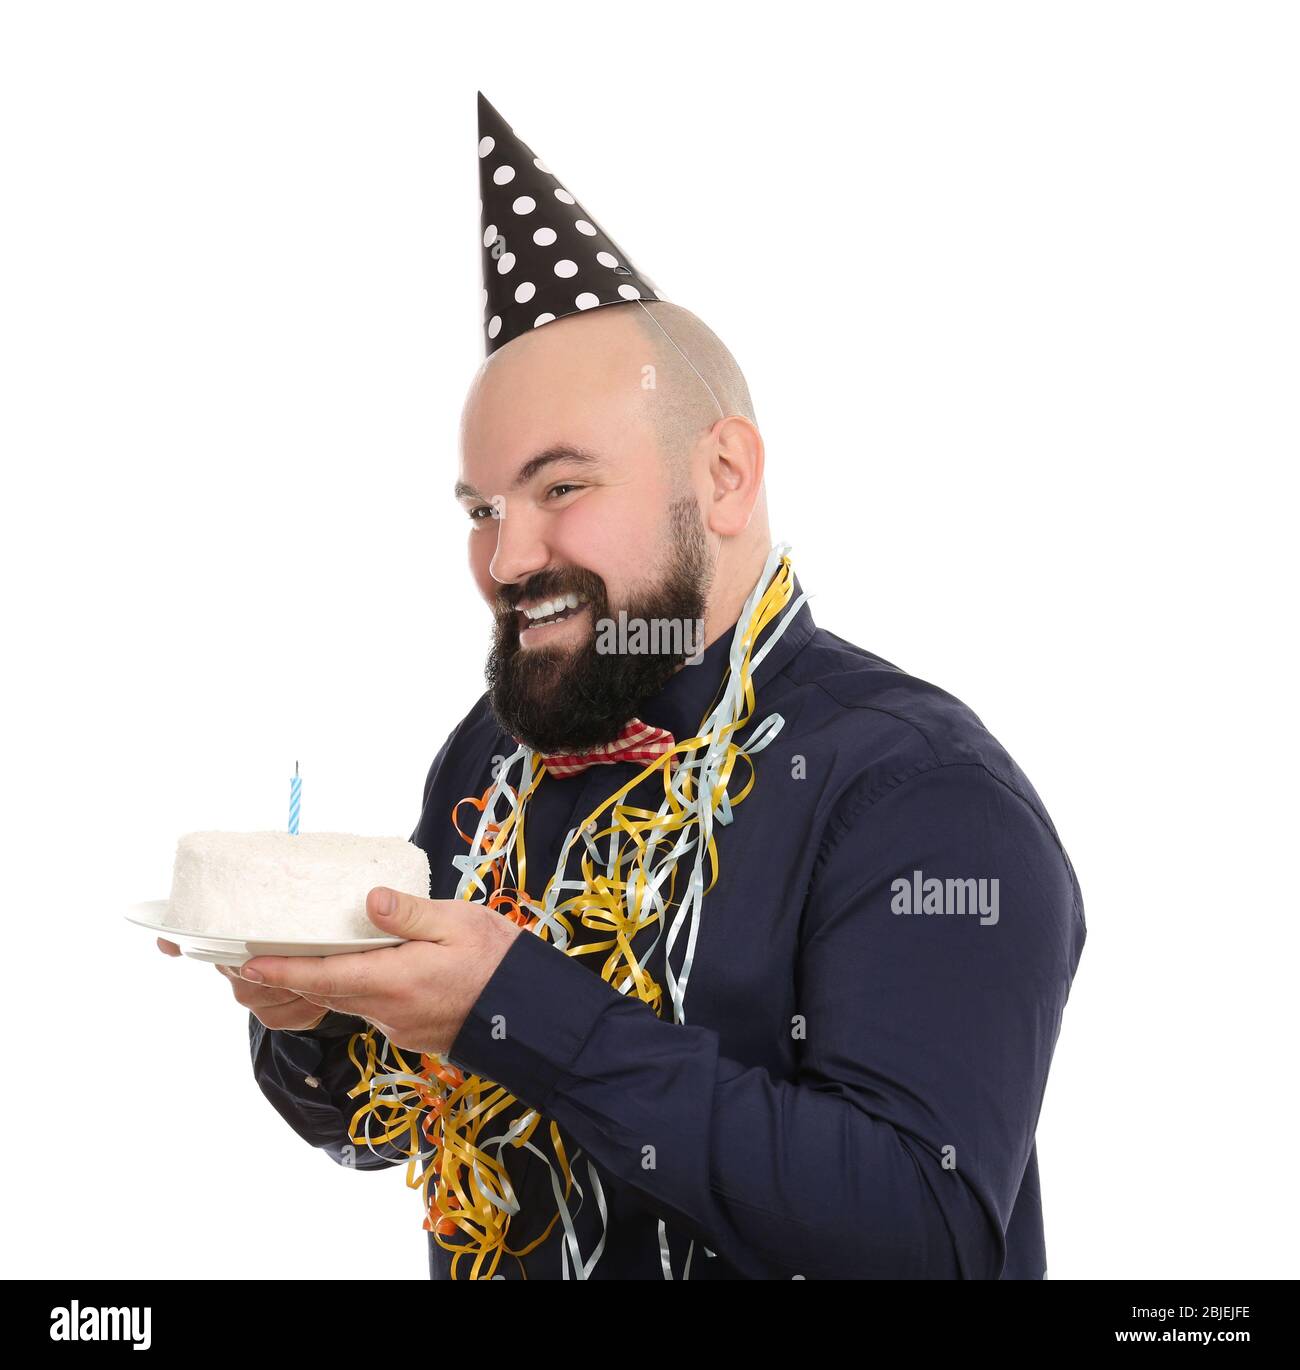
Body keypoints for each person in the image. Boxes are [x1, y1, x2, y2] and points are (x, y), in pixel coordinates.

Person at [159, 95, 1086, 1280]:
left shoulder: (917, 792)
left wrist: (516, 1006)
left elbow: (920, 1234)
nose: (506, 559)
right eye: (484, 510)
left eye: (560, 489)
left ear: (725, 475)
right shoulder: (491, 761)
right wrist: (310, 1018)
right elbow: (381, 1127)